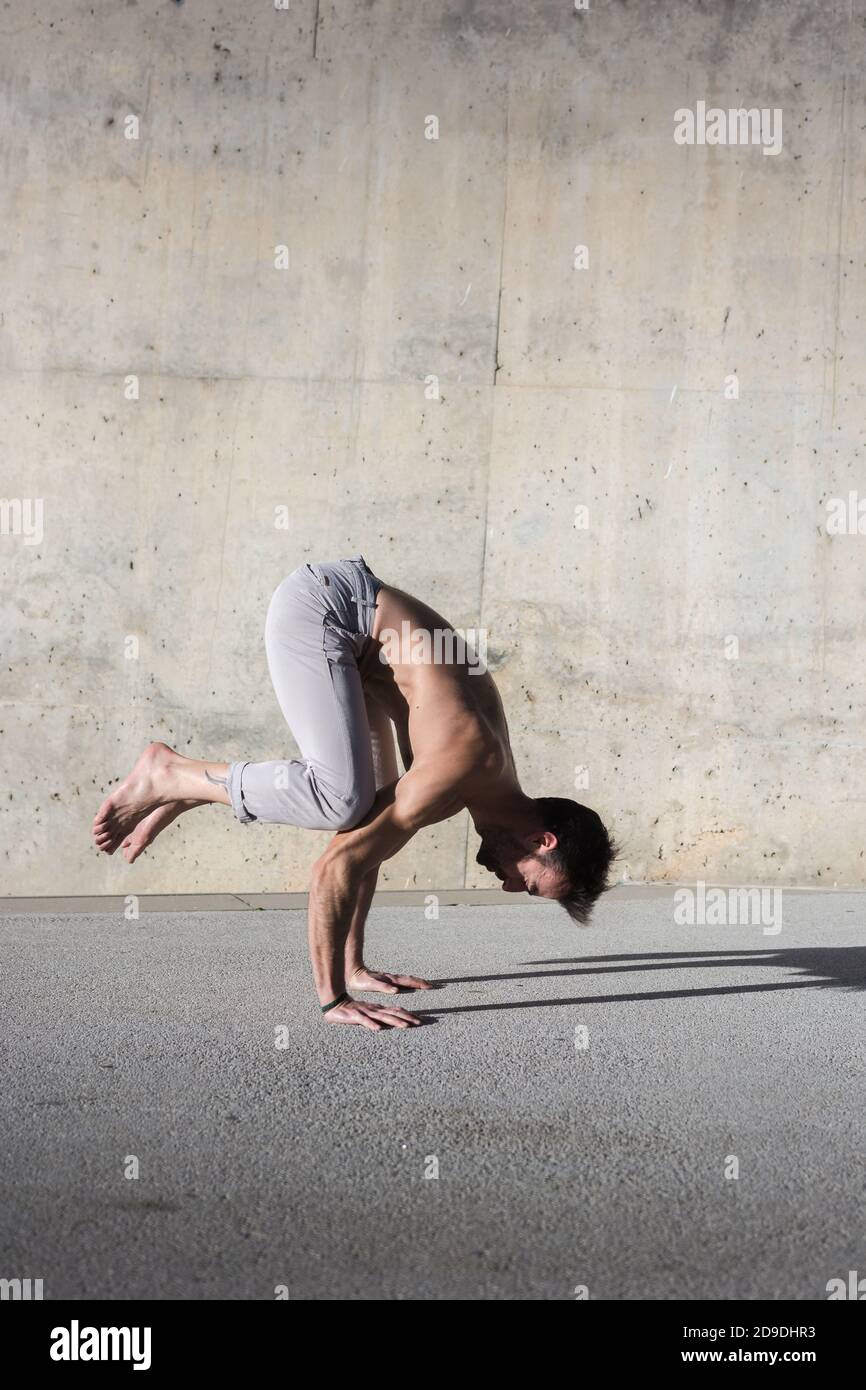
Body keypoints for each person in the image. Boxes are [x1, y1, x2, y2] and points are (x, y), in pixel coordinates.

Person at [93, 556, 616, 1031]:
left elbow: (366, 848)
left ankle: (192, 787)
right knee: (340, 799)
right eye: (527, 885)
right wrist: (333, 1000)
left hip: (356, 638)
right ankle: (171, 775)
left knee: (358, 810)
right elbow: (333, 867)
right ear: (543, 841)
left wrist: (354, 969)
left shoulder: (477, 780)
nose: (507, 887)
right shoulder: (465, 762)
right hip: (327, 609)